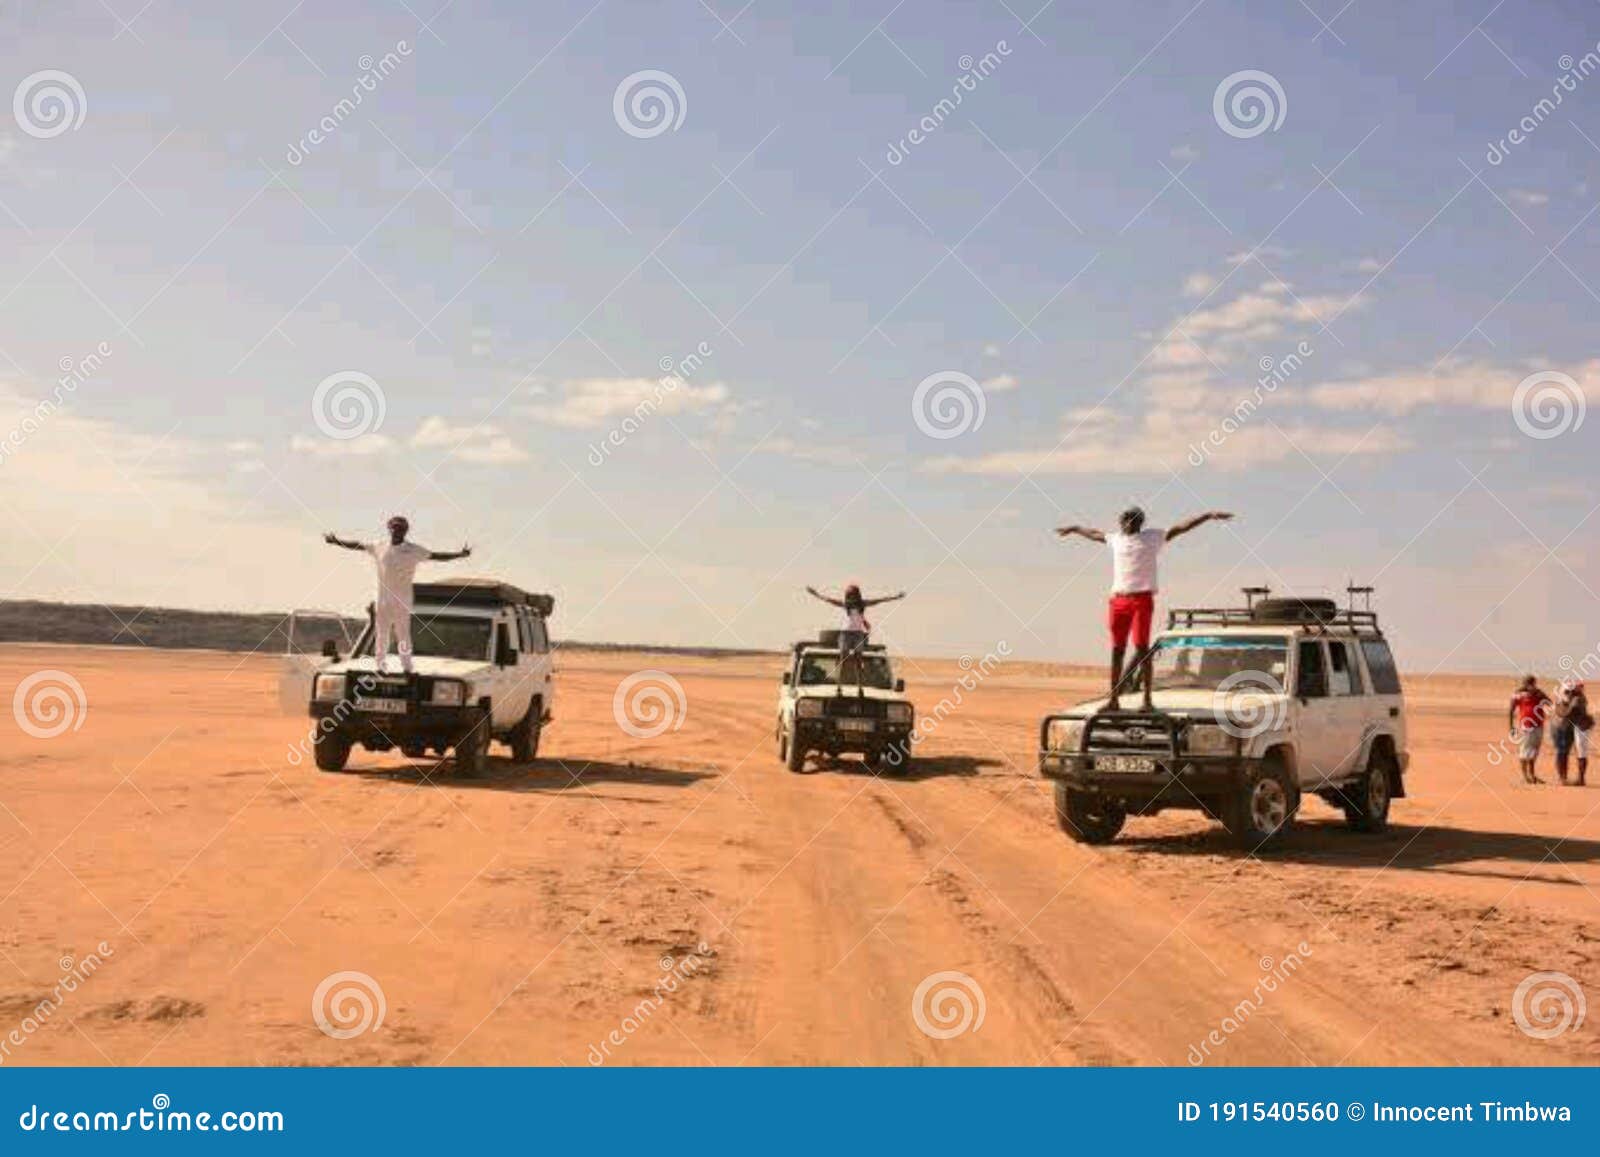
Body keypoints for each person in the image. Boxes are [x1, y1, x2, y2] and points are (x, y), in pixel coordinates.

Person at [1056, 507, 1234, 710]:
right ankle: (1114, 700)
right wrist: (1075, 528)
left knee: (1142, 648)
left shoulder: (1153, 537)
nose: (1126, 524)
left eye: (1131, 521)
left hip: (1141, 600)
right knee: (1117, 650)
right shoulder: (1116, 539)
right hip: (1118, 601)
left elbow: (1181, 527)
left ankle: (1147, 700)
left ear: (1139, 523)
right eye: (1124, 520)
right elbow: (1095, 534)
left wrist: (1206, 516)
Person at [324, 516, 471, 674]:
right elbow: (358, 545)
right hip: (382, 599)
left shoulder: (414, 550)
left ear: (405, 531)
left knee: (402, 633)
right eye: (394, 527)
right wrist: (336, 541)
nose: (397, 531)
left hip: (402, 600)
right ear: (389, 529)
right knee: (382, 633)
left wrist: (459, 555)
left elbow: (437, 556)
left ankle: (406, 667)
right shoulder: (379, 546)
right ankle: (380, 666)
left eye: (401, 528)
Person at [804, 584, 906, 688]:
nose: (851, 597)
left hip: (858, 633)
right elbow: (829, 600)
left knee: (858, 659)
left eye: (853, 594)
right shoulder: (845, 604)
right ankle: (840, 684)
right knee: (843, 657)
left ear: (857, 595)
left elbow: (878, 601)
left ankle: (859, 684)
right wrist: (816, 594)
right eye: (850, 595)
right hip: (846, 633)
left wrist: (895, 597)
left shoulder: (862, 605)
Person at [1508, 675, 1553, 784]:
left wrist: (1540, 693)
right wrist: (1511, 727)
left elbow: (1550, 703)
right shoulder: (1518, 695)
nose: (1532, 686)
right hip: (1526, 725)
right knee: (1525, 751)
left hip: (1539, 725)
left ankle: (1532, 774)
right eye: (1529, 684)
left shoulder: (1538, 694)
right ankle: (1525, 776)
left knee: (1534, 751)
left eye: (1533, 683)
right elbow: (1511, 710)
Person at [1552, 680, 1593, 786]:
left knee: (1579, 753)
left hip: (1578, 727)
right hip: (1565, 728)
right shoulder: (1569, 699)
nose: (1570, 693)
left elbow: (1565, 713)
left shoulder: (1578, 699)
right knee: (1563, 752)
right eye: (1568, 691)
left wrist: (1561, 700)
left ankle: (1577, 778)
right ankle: (1564, 777)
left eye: (1572, 691)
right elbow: (1562, 713)